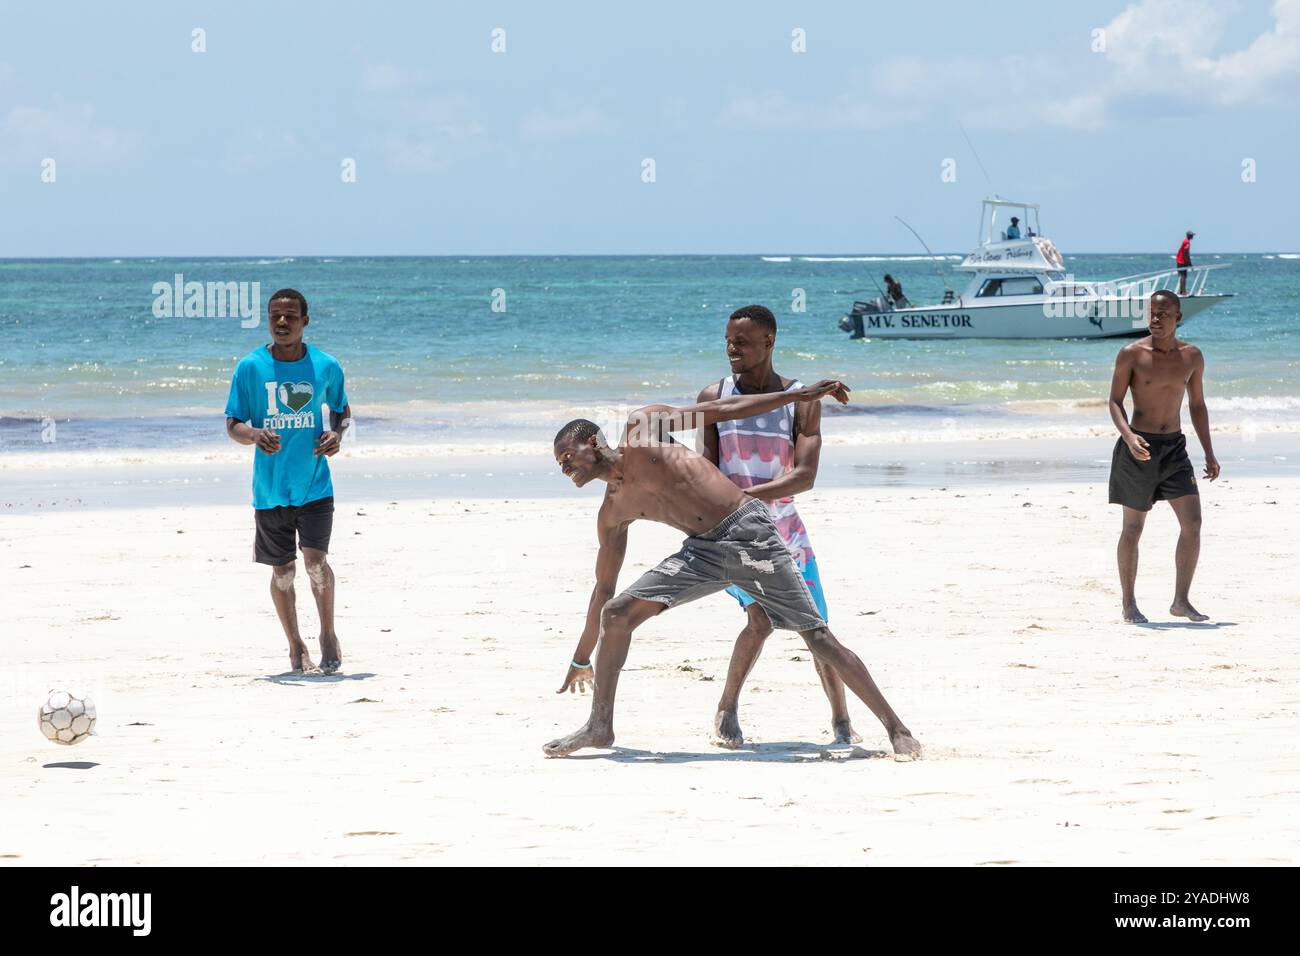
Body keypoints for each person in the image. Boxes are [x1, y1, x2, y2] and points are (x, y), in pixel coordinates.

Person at [545, 382, 921, 759]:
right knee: (617, 614)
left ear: (592, 443)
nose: (564, 468)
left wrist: (796, 397)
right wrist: (581, 659)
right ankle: (599, 726)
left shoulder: (643, 427)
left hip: (748, 532)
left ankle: (897, 729)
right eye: (559, 464)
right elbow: (602, 590)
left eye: (566, 457)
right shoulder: (612, 512)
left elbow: (724, 410)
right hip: (702, 553)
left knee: (818, 637)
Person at [696, 305, 857, 748]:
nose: (732, 349)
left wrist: (747, 495)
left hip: (786, 533)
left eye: (742, 342)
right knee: (761, 619)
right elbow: (707, 469)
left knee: (817, 628)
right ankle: (727, 707)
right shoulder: (714, 397)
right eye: (728, 340)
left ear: (769, 342)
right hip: (734, 533)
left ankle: (841, 719)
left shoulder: (802, 402)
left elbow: (804, 476)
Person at [225, 289, 352, 673]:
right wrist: (254, 435)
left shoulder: (325, 365)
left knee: (316, 562)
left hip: (315, 484)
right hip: (270, 490)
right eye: (275, 317)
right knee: (283, 572)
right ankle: (295, 645)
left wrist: (337, 435)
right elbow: (233, 423)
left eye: (290, 317)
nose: (282, 323)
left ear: (305, 321)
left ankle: (327, 633)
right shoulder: (250, 367)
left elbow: (342, 412)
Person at [1107, 289, 1219, 625]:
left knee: (1193, 524)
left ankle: (1181, 602)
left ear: (1178, 317)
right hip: (1138, 449)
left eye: (1164, 314)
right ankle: (1129, 604)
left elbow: (1197, 405)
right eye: (1152, 313)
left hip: (1174, 448)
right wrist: (1128, 437)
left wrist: (1209, 451)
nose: (1156, 319)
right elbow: (1114, 401)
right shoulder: (1131, 353)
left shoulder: (1192, 356)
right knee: (1132, 528)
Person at [1176, 230, 1195, 295]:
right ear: (1189, 235)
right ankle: (1183, 291)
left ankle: (1181, 291)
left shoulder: (1185, 241)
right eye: (1192, 235)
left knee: (1182, 276)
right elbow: (1185, 253)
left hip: (1179, 260)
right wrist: (1189, 263)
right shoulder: (1187, 242)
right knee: (1183, 276)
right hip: (1182, 261)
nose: (1193, 236)